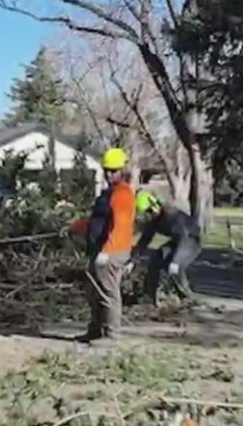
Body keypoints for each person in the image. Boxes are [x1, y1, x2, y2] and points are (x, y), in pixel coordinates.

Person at [80, 147, 137, 343]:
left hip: (112, 251)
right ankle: (95, 331)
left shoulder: (123, 193)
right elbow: (99, 220)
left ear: (123, 171)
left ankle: (112, 336)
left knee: (108, 293)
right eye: (107, 170)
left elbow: (120, 225)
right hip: (99, 249)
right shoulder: (108, 193)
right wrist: (75, 226)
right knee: (94, 293)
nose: (109, 174)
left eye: (113, 170)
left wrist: (107, 251)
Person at [135, 189, 200, 304]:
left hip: (190, 241)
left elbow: (183, 238)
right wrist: (132, 260)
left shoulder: (172, 216)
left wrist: (176, 261)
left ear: (154, 207)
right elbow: (144, 241)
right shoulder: (153, 220)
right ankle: (149, 297)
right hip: (176, 241)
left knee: (175, 269)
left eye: (148, 213)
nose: (146, 217)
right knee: (156, 258)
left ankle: (188, 298)